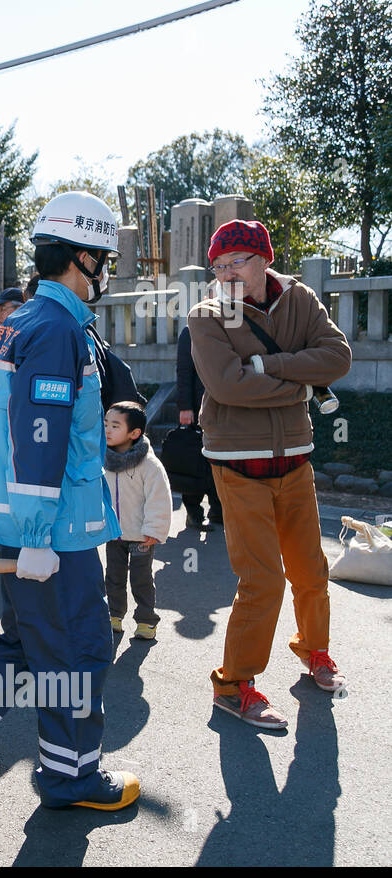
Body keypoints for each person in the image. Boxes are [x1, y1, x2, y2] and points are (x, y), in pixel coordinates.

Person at [0, 191, 140, 812]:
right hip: (50, 530)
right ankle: (69, 778)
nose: (107, 273)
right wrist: (41, 535)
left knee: (23, 635)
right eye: (104, 259)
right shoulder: (57, 330)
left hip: (10, 518)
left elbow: (4, 431)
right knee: (75, 646)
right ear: (80, 257)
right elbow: (40, 439)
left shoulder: (16, 324)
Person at [188, 219, 352, 730]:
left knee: (311, 569)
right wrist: (302, 384)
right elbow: (228, 386)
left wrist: (266, 366)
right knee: (262, 581)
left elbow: (338, 357)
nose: (226, 274)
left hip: (295, 457)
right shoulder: (205, 315)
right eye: (218, 266)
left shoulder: (300, 299)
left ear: (264, 259)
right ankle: (234, 686)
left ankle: (314, 650)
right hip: (237, 465)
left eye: (237, 261)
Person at [103, 400, 172, 641]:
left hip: (142, 534)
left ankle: (146, 620)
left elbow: (159, 498)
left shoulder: (149, 464)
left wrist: (154, 529)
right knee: (113, 576)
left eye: (115, 426)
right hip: (114, 533)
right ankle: (113, 615)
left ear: (134, 433)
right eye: (106, 425)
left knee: (141, 579)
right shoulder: (105, 461)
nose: (108, 430)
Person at [175, 323, 222, 529]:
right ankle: (193, 512)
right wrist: (185, 407)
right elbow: (184, 372)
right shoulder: (191, 331)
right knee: (193, 462)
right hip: (197, 407)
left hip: (225, 409)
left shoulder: (231, 328)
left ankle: (218, 510)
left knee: (220, 462)